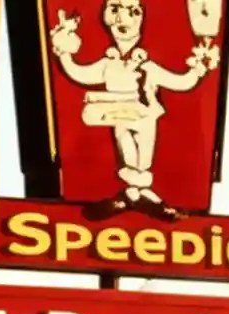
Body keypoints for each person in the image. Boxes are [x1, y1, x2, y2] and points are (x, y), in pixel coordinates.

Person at [48, 1, 219, 218]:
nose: (122, 19)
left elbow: (181, 82)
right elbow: (78, 73)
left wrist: (199, 68)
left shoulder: (147, 67)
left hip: (145, 116)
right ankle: (135, 192)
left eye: (132, 12)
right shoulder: (108, 64)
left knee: (144, 151)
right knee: (125, 144)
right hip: (118, 112)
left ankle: (137, 193)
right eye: (115, 11)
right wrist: (64, 50)